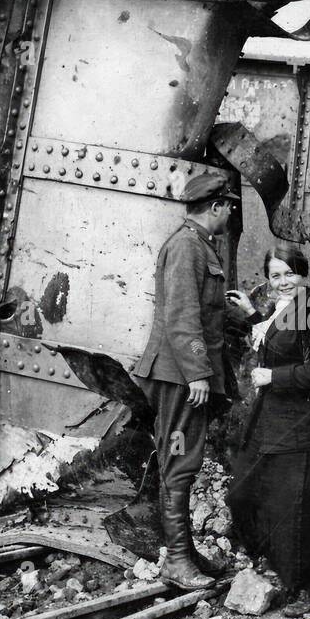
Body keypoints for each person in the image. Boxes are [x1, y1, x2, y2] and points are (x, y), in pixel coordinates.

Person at [131, 173, 242, 590]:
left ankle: (184, 552)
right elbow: (181, 315)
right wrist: (197, 373)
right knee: (179, 462)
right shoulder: (186, 247)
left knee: (182, 461)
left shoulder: (197, 245)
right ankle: (177, 560)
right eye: (229, 206)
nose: (231, 213)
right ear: (215, 207)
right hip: (179, 378)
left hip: (182, 375)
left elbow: (207, 311)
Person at [225, 244, 310, 617]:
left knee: (296, 508)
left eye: (290, 272)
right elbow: (279, 343)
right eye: (276, 275)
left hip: (300, 423)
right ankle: (270, 560)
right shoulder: (284, 309)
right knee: (242, 492)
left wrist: (274, 376)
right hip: (269, 418)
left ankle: (300, 589)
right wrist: (253, 314)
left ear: (302, 273)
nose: (284, 281)